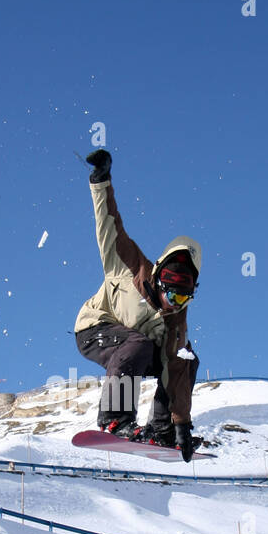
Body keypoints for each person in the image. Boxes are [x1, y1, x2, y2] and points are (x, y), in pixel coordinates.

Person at [73, 148, 201, 462]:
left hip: (133, 349)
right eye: (171, 293)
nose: (174, 303)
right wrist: (101, 181)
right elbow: (108, 223)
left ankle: (161, 429)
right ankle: (115, 419)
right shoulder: (128, 264)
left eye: (183, 298)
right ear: (159, 277)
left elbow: (176, 371)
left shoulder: (175, 321)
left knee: (186, 359)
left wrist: (181, 423)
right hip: (94, 329)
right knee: (140, 342)